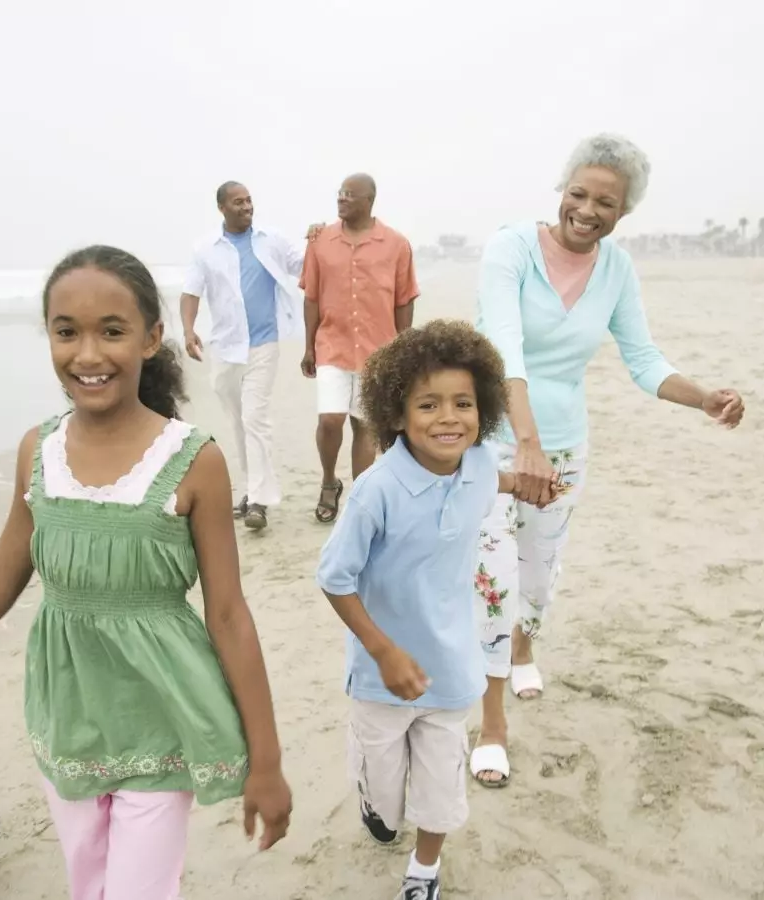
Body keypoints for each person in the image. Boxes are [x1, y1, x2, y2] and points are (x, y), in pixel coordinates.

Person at [0, 245, 293, 900]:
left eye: (112, 331)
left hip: (162, 713)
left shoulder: (196, 462)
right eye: (66, 331)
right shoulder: (37, 451)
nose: (88, 354)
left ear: (152, 338)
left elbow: (228, 614)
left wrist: (265, 761)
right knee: (87, 881)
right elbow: (7, 573)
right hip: (67, 712)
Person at [467, 133, 746, 788]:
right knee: (493, 578)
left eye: (606, 203)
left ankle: (525, 644)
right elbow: (503, 348)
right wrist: (523, 443)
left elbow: (644, 360)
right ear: (561, 191)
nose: (588, 211)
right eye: (579, 194)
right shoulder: (510, 248)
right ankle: (492, 723)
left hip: (564, 445)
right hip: (495, 438)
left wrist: (703, 396)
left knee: (538, 574)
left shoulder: (617, 269)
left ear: (624, 212)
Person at [317, 320, 515, 900]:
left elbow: (488, 480)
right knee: (386, 794)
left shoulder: (477, 466)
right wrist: (382, 650)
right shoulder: (375, 490)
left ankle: (424, 869)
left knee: (441, 784)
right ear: (397, 416)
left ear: (485, 410)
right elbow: (333, 578)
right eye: (428, 405)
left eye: (463, 403)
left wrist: (523, 484)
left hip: (452, 668)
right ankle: (373, 797)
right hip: (380, 677)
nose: (449, 417)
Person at [179, 181, 308, 531]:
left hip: (264, 344)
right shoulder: (205, 249)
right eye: (238, 202)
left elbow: (303, 264)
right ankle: (252, 490)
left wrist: (320, 238)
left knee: (255, 418)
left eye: (249, 200)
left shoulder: (271, 238)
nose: (246, 206)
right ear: (222, 207)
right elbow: (191, 292)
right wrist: (189, 330)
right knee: (237, 422)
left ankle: (259, 501)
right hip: (225, 348)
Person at [300, 173, 419, 524]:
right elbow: (311, 297)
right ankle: (327, 481)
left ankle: (361, 498)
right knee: (330, 418)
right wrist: (308, 346)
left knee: (365, 426)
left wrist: (402, 348)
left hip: (377, 350)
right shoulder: (319, 241)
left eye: (349, 195)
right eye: (339, 193)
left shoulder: (397, 245)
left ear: (369, 201)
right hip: (331, 346)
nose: (341, 199)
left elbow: (404, 299)